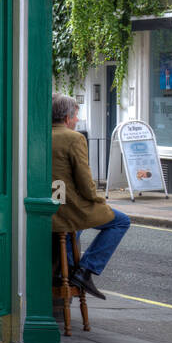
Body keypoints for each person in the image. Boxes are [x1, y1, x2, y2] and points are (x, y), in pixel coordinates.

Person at [52, 93, 129, 300]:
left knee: (75, 227)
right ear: (67, 118)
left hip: (49, 206)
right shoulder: (74, 138)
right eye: (75, 116)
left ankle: (64, 268)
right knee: (121, 221)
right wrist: (97, 200)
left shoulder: (40, 135)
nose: (77, 120)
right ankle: (85, 271)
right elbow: (85, 182)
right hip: (68, 209)